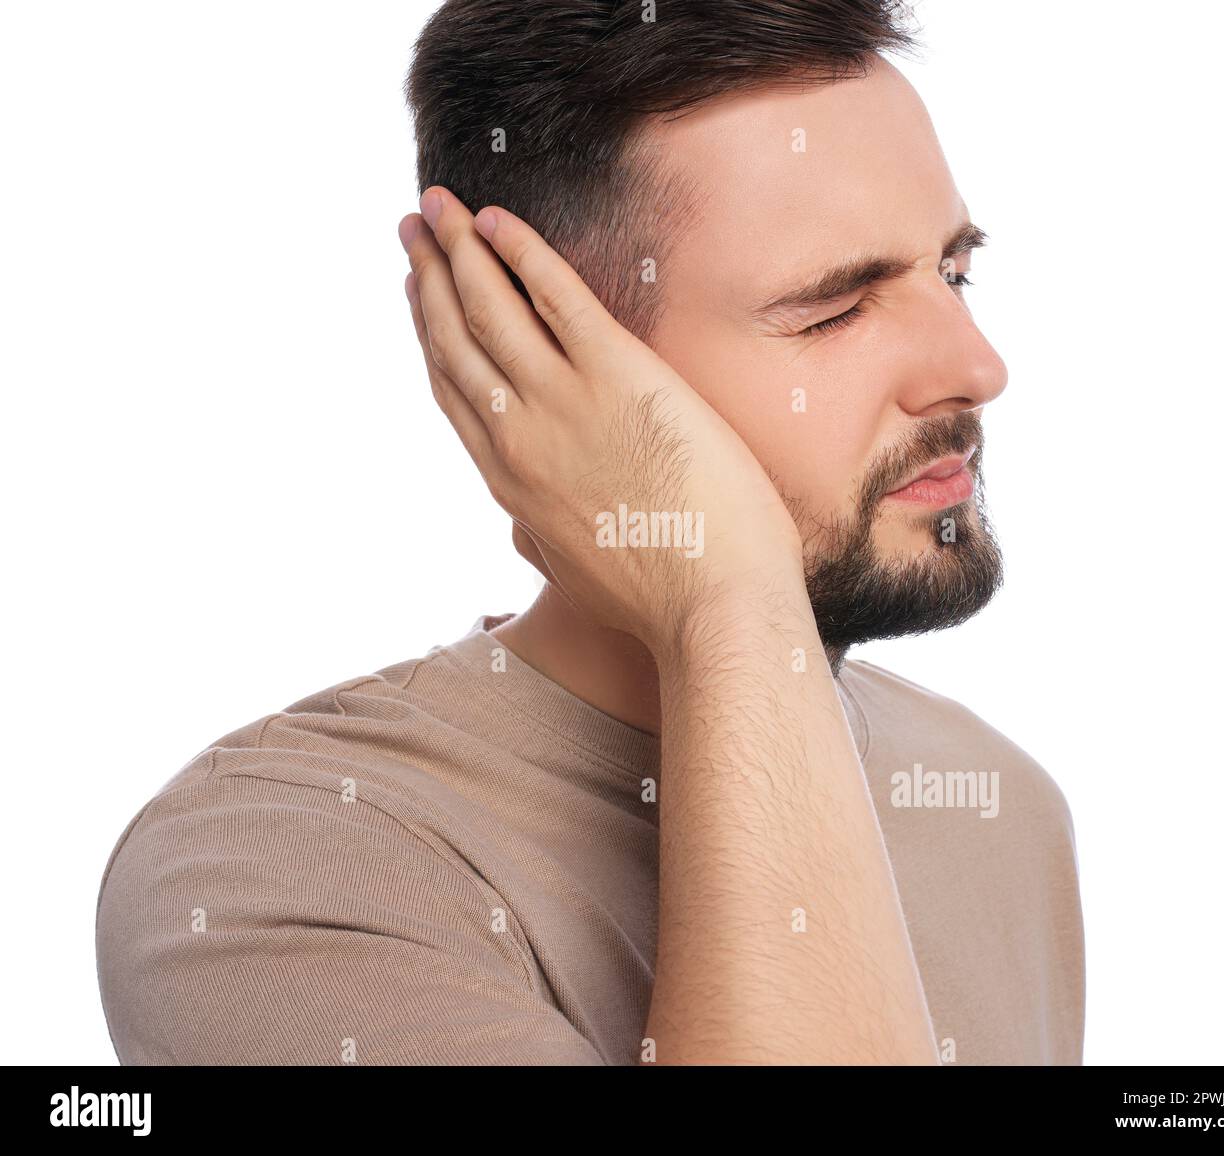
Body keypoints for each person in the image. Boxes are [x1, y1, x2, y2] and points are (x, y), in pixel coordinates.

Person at [96, 0, 1084, 1066]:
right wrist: (729, 609)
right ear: (529, 349)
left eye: (952, 272)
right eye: (832, 310)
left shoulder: (997, 802)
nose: (976, 369)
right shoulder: (282, 872)